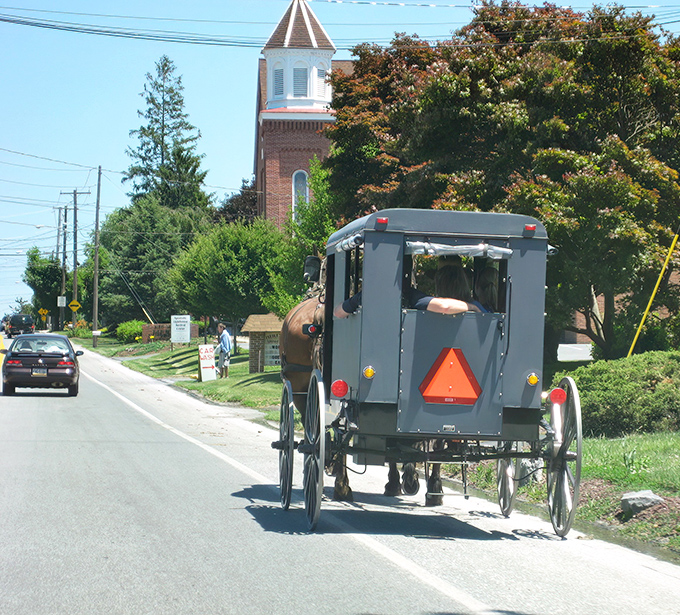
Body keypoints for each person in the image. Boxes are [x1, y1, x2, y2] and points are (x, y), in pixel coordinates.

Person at [334, 265, 481, 318]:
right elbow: (443, 306)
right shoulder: (411, 295)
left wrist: (353, 301)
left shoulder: (366, 296)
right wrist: (473, 307)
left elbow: (338, 312)